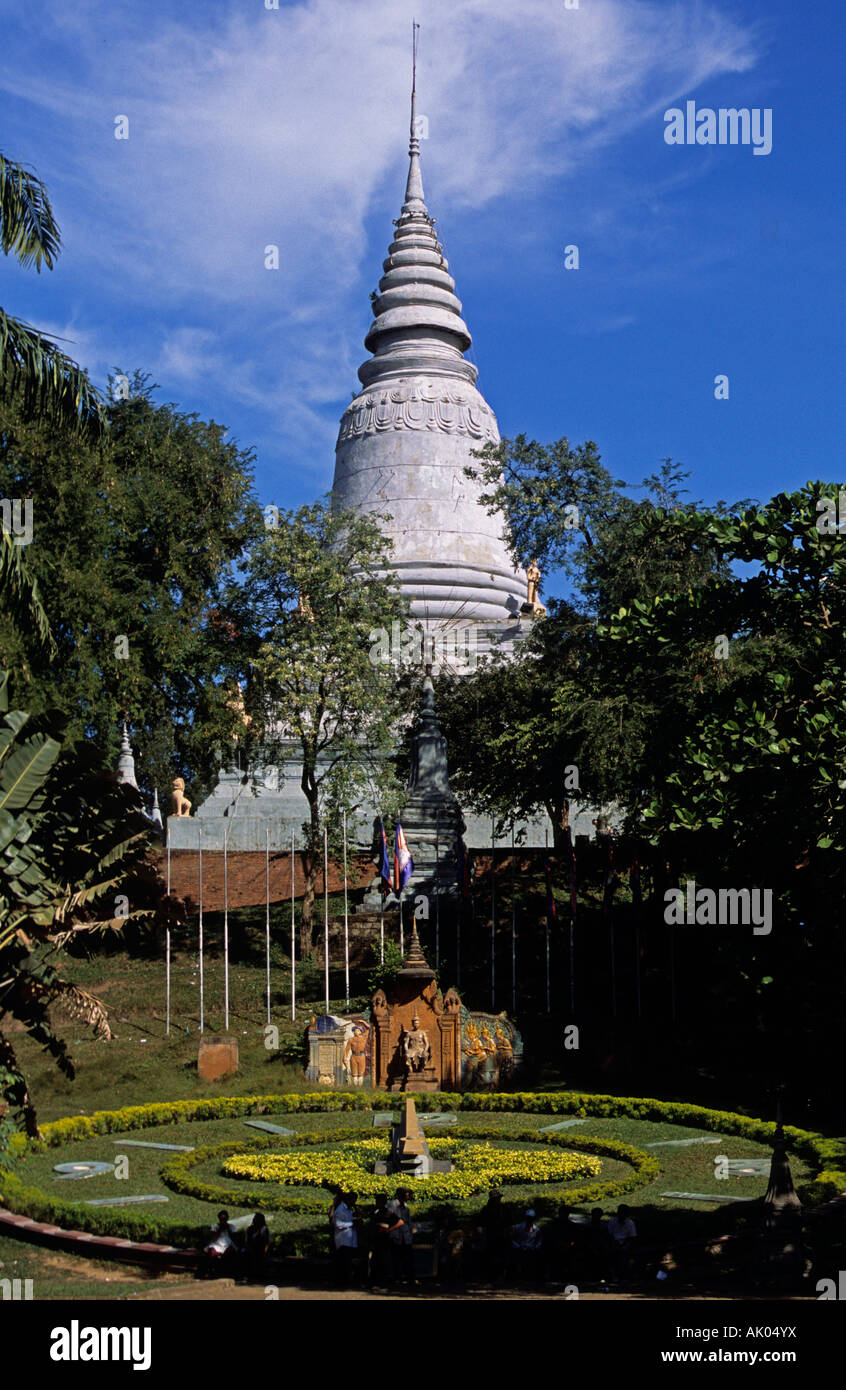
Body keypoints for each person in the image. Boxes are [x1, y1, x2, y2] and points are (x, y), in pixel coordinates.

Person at [367, 1193, 399, 1289]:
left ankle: (381, 1283)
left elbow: (400, 1222)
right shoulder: (375, 1212)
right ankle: (374, 1282)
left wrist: (389, 1229)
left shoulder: (388, 1212)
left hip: (384, 1240)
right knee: (374, 1262)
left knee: (382, 1262)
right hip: (376, 1239)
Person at [387, 1186, 415, 1284]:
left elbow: (408, 1221)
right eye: (407, 1194)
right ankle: (396, 1277)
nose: (408, 1196)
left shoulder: (406, 1206)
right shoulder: (392, 1205)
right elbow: (389, 1218)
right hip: (396, 1234)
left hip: (405, 1235)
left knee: (407, 1257)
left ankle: (407, 1277)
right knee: (396, 1257)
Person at [479, 1189, 508, 1281]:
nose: (498, 1200)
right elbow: (482, 1223)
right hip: (490, 1236)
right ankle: (491, 1275)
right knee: (490, 1256)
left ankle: (501, 1275)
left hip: (501, 1235)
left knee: (502, 1256)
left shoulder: (503, 1209)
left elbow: (508, 1222)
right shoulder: (486, 1209)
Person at [331, 1191, 359, 1285]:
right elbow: (338, 1224)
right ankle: (340, 1281)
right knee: (342, 1262)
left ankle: (346, 1280)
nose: (354, 1203)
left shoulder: (349, 1209)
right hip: (343, 1240)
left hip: (350, 1239)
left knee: (348, 1261)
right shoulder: (340, 1210)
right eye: (353, 1200)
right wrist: (352, 1224)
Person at [510, 1209, 543, 1280]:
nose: (529, 1220)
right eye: (528, 1218)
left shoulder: (537, 1229)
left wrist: (535, 1247)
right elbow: (511, 1238)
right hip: (519, 1250)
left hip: (532, 1251)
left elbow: (539, 1241)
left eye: (531, 1218)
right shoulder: (518, 1227)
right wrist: (518, 1246)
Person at [608, 1203, 638, 1283]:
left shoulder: (630, 1223)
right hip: (614, 1243)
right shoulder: (612, 1221)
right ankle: (614, 1276)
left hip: (625, 1244)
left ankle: (625, 1277)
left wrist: (624, 1245)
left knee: (625, 1256)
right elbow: (610, 1235)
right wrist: (615, 1244)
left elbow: (632, 1237)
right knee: (612, 1254)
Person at [204, 1210, 239, 1275]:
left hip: (228, 1243)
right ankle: (211, 1270)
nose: (223, 1220)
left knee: (230, 1252)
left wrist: (228, 1229)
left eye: (224, 1218)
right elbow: (213, 1238)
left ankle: (226, 1270)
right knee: (211, 1252)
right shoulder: (215, 1226)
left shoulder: (232, 1226)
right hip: (217, 1243)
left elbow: (234, 1238)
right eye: (221, 1218)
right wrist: (220, 1229)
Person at [243, 1211, 270, 1283]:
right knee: (248, 1255)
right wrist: (249, 1248)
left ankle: (258, 1276)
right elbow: (246, 1241)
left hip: (260, 1249)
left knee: (259, 1256)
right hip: (250, 1248)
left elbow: (267, 1243)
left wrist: (265, 1252)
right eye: (254, 1219)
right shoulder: (250, 1229)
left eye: (257, 1219)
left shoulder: (264, 1229)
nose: (255, 1220)